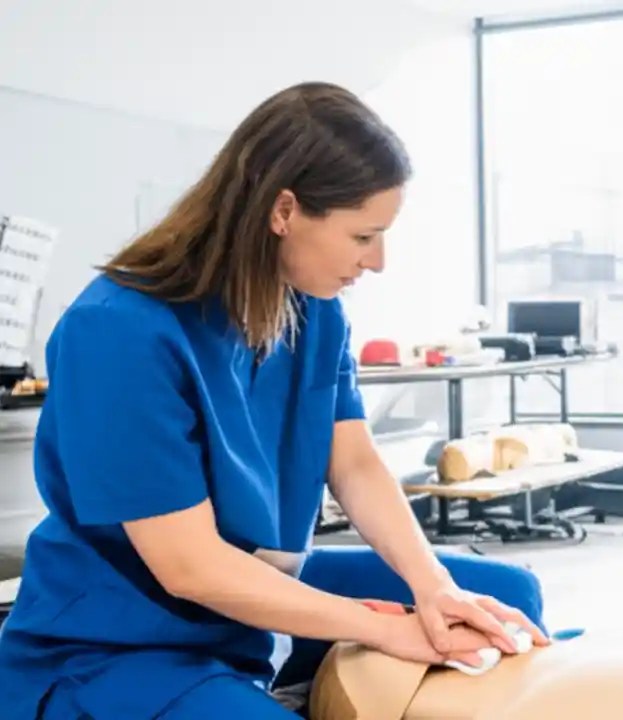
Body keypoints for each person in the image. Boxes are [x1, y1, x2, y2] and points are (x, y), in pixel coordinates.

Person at [0, 82, 549, 719]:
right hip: (125, 635)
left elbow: (354, 464)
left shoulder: (315, 313)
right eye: (363, 236)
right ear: (283, 210)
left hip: (256, 588)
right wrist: (380, 627)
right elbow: (190, 569)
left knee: (504, 597)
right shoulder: (120, 330)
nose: (378, 262)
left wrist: (435, 589)